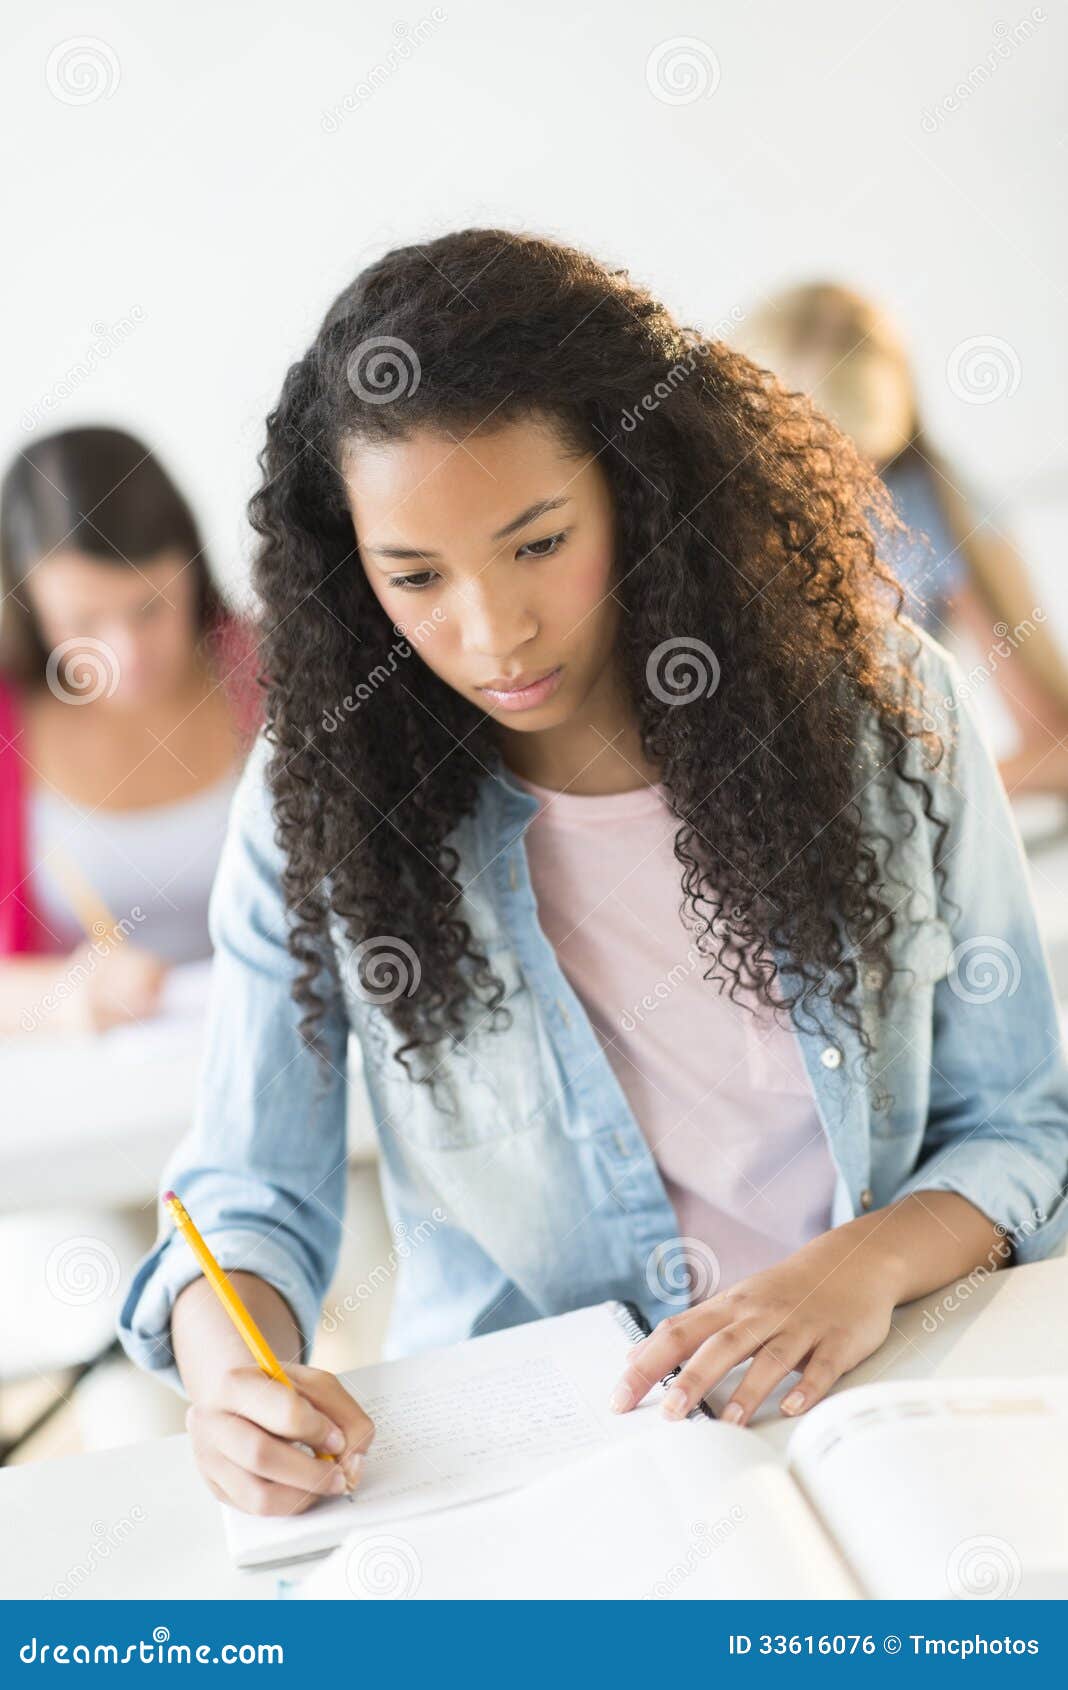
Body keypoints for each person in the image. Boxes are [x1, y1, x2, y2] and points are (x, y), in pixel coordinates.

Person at [117, 230, 1068, 1518]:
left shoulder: (882, 711)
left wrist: (864, 1265)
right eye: (416, 577)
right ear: (354, 572)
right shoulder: (321, 796)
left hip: (893, 1383)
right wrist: (231, 1371)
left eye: (537, 542)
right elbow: (248, 1191)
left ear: (639, 480)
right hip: (551, 1457)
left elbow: (1024, 1123)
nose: (492, 631)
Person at [740, 282, 1068, 801]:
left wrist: (909, 791)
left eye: (856, 466)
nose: (826, 498)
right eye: (793, 460)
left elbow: (1057, 747)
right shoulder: (701, 524)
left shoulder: (934, 516)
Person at [0, 426, 261, 1034]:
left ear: (190, 569)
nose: (124, 653)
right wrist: (68, 995)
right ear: (30, 608)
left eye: (149, 608)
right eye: (83, 620)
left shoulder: (278, 675)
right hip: (89, 1103)